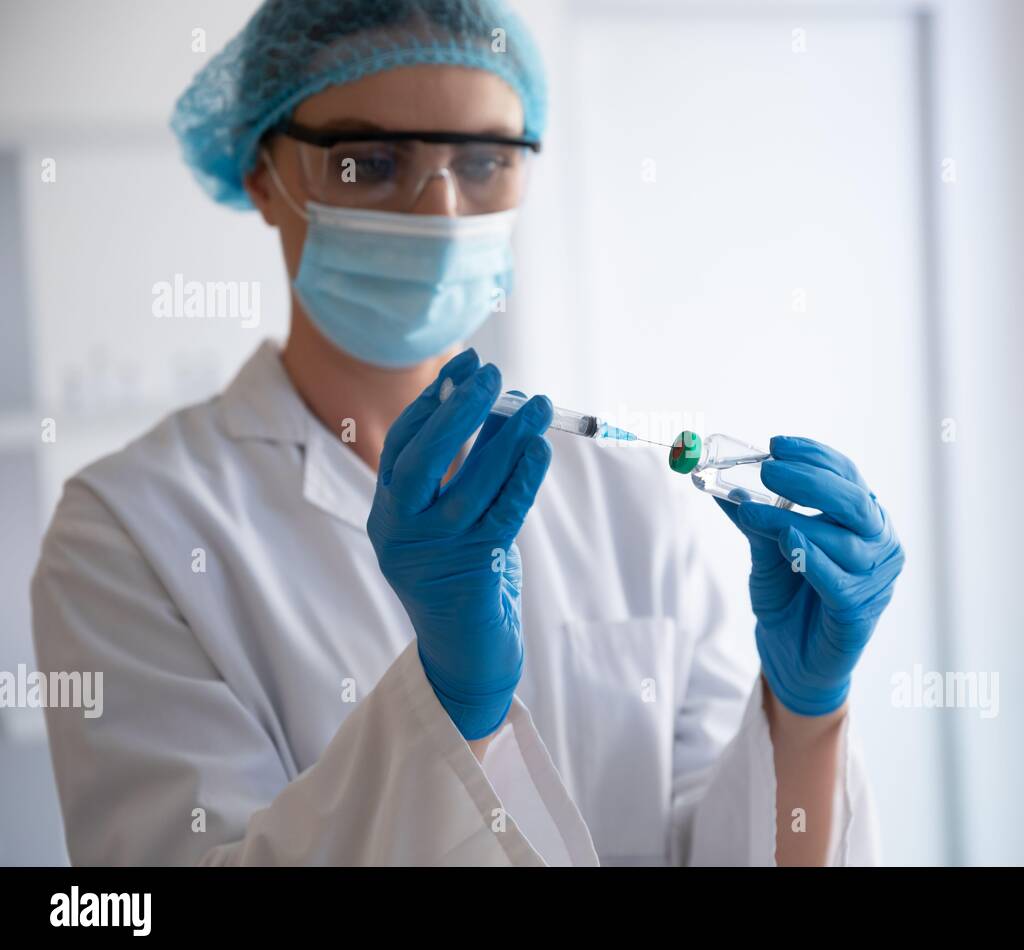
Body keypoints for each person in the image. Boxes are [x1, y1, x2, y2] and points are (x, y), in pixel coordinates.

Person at [31, 0, 904, 866]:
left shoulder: (626, 495)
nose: (443, 211)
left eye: (485, 160)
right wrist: (446, 712)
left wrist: (804, 714)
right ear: (265, 174)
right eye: (368, 162)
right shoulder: (129, 532)